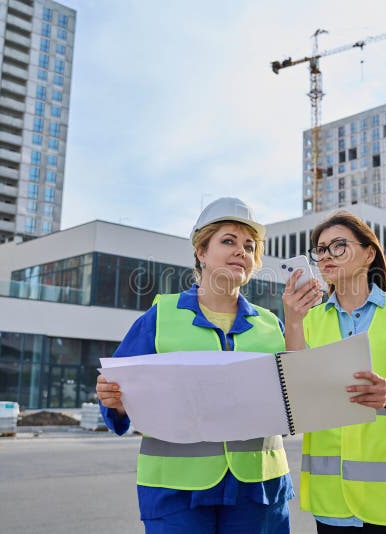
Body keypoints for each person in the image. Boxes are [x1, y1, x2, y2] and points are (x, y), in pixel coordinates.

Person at [97, 197, 294, 534]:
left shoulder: (271, 324)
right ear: (201, 252)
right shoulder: (161, 317)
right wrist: (112, 400)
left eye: (249, 246)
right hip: (177, 492)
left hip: (258, 490)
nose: (241, 252)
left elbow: (293, 398)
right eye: (228, 241)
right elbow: (117, 391)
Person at [283, 210, 386, 533]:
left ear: (369, 253)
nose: (326, 256)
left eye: (339, 246)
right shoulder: (308, 320)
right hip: (333, 502)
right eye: (320, 249)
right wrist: (292, 321)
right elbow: (296, 395)